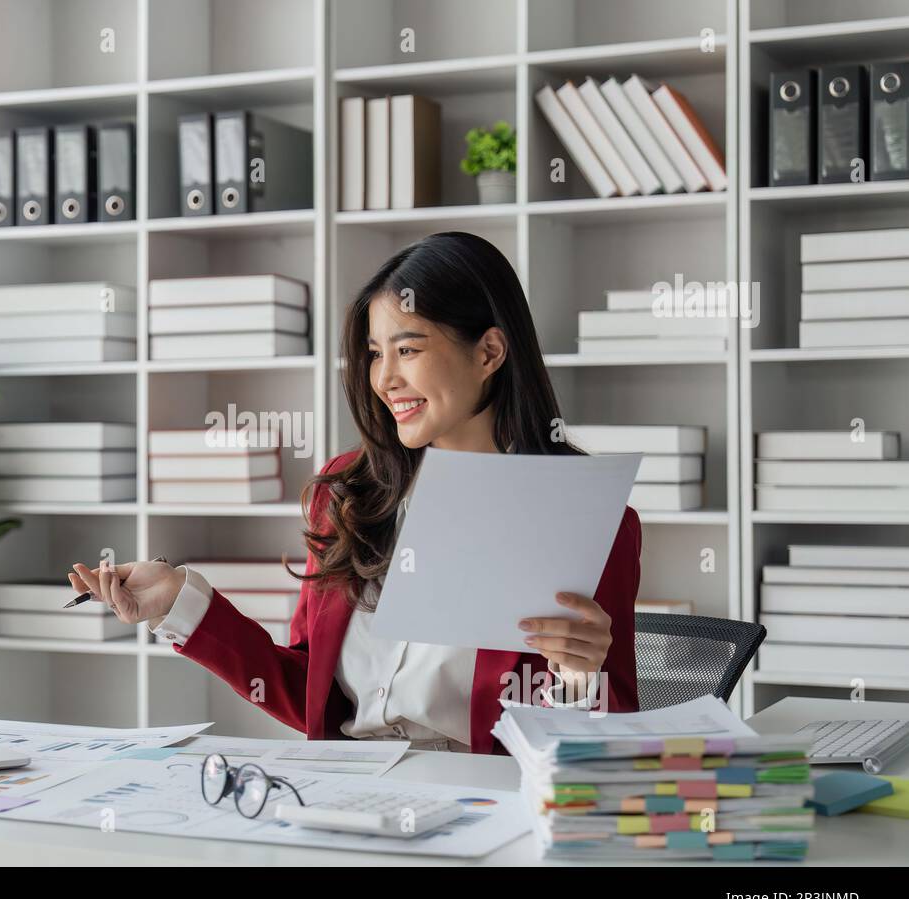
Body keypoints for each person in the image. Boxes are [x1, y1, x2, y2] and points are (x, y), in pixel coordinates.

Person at [69, 231, 642, 755]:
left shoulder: (580, 515)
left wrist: (579, 681)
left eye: (408, 350)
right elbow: (308, 694)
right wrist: (180, 602)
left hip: (483, 806)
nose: (384, 378)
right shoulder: (349, 493)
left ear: (489, 352)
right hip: (347, 791)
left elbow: (609, 747)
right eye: (375, 353)